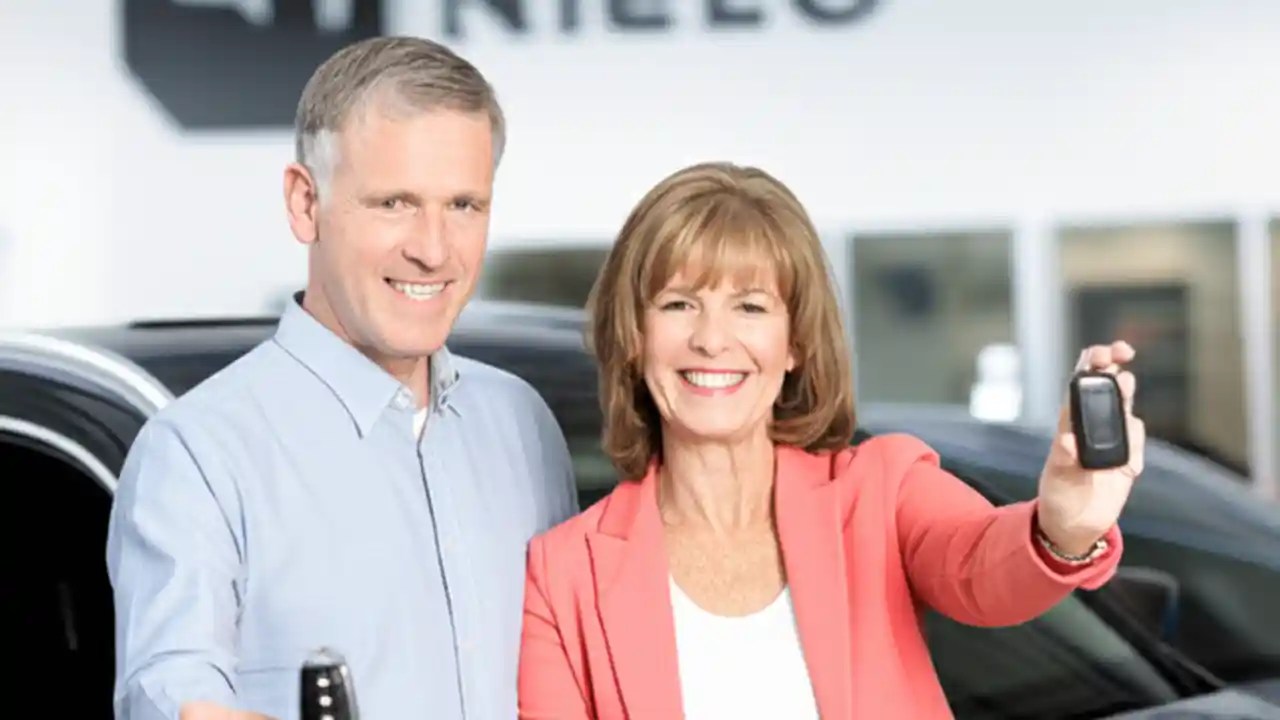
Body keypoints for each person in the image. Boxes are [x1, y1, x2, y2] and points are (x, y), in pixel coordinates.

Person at [517, 161, 1145, 719]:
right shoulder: (564, 574)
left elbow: (984, 571)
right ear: (633, 335)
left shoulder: (881, 491)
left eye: (750, 307)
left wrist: (1062, 529)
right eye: (679, 304)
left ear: (794, 342)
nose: (711, 339)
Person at [107, 36, 579, 720]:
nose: (433, 250)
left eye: (463, 205)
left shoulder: (523, 424)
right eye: (394, 203)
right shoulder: (197, 454)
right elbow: (171, 694)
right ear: (305, 203)